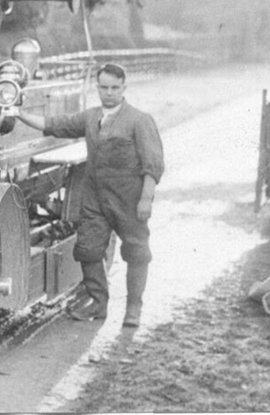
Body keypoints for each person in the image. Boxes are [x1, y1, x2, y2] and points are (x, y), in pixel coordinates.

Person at [13, 62, 164, 327]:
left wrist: (146, 199)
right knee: (89, 249)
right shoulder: (90, 117)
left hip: (129, 198)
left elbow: (152, 163)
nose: (109, 93)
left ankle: (133, 308)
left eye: (115, 88)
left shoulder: (139, 120)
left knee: (136, 251)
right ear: (97, 87)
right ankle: (98, 302)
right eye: (104, 87)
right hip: (95, 197)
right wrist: (17, 113)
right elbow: (53, 124)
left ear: (124, 88)